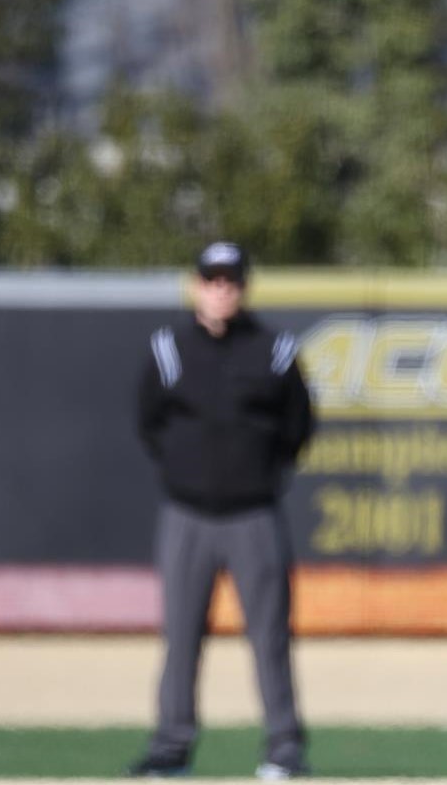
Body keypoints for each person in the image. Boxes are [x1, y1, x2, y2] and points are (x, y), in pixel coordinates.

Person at [128, 242, 316, 780]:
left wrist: (264, 474)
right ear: (196, 286)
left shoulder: (273, 349)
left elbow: (298, 425)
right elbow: (149, 422)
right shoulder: (170, 348)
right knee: (181, 636)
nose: (221, 290)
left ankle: (283, 747)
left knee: (270, 637)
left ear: (244, 287)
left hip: (254, 515)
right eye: (211, 280)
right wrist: (183, 472)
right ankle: (171, 747)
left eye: (230, 281)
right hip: (188, 514)